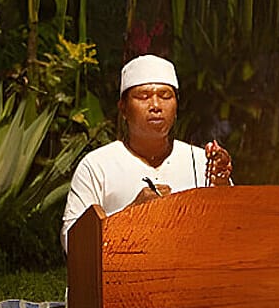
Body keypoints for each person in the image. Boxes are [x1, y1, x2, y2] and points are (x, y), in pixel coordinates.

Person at [60, 54, 234, 253]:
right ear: (123, 109)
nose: (156, 106)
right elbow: (72, 242)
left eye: (165, 96)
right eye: (143, 97)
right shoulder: (96, 165)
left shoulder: (203, 161)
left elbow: (229, 230)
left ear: (176, 107)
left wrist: (222, 185)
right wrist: (132, 214)